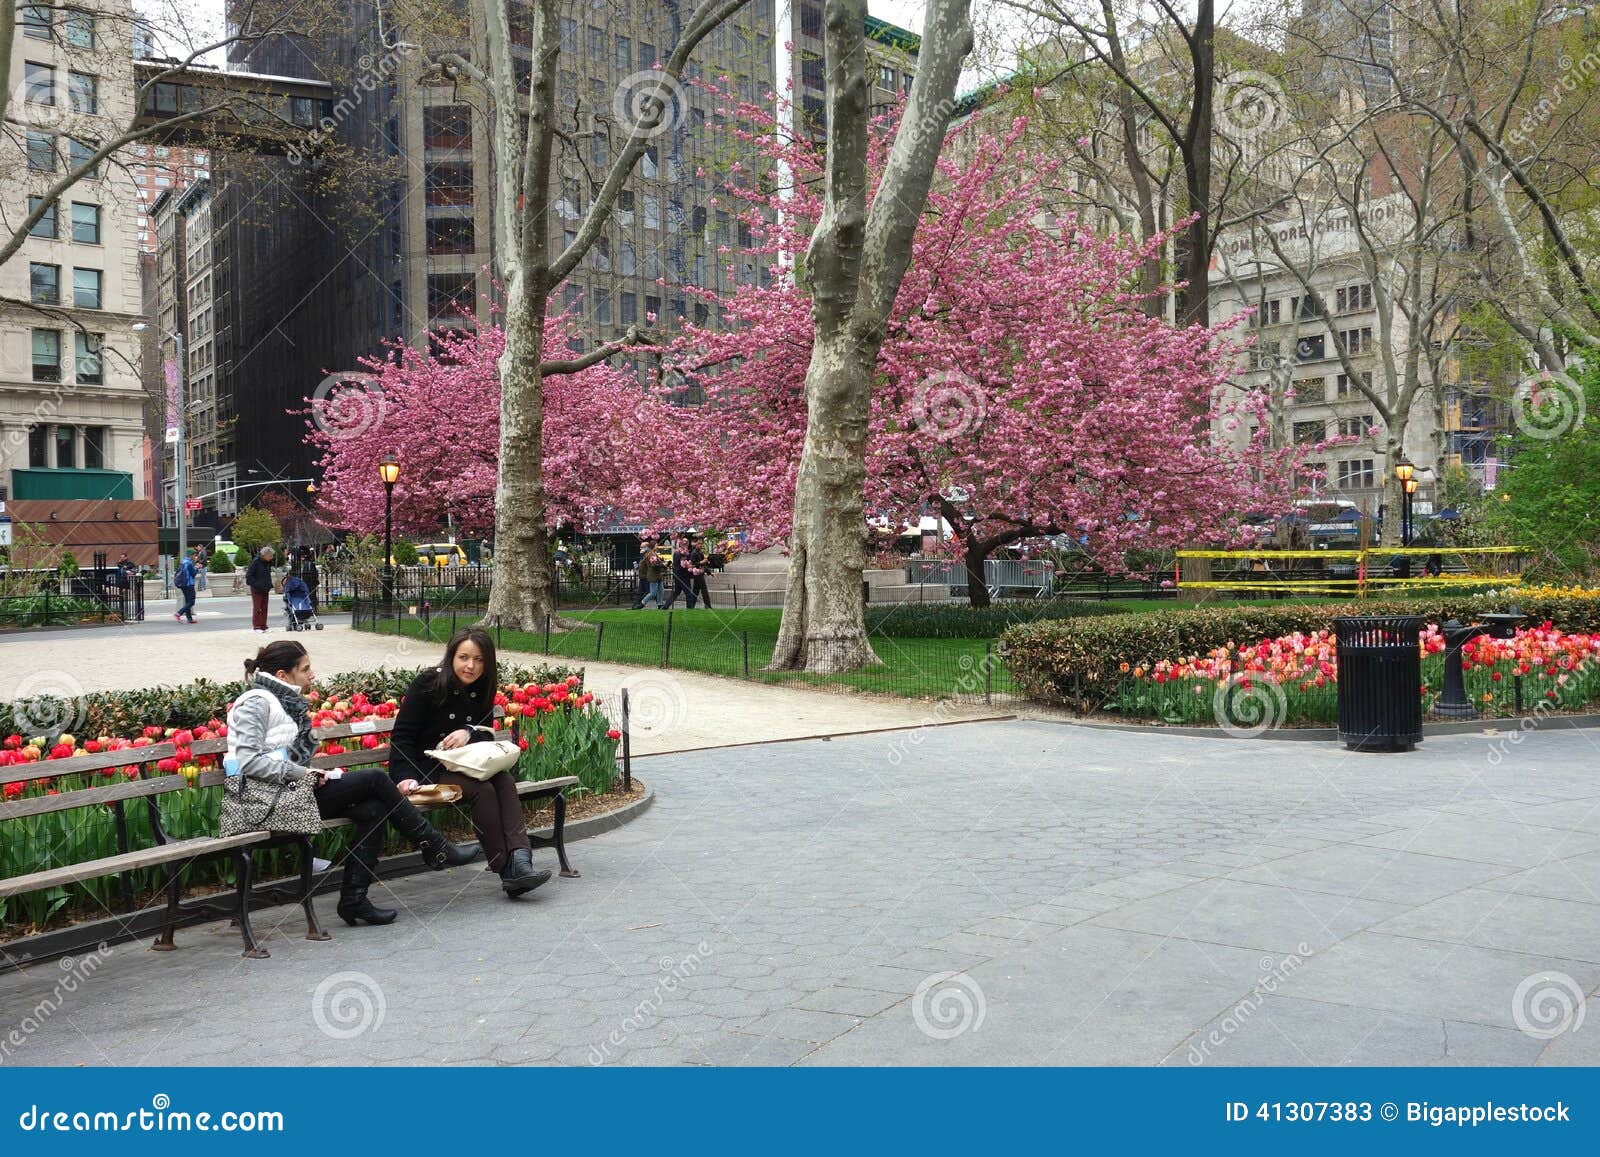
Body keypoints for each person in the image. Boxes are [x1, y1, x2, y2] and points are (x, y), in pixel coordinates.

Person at [228, 640, 478, 927]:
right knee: (374, 778)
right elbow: (249, 762)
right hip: (257, 804)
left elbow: (280, 757)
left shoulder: (282, 702)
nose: (312, 675)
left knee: (372, 808)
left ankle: (353, 900)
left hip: (284, 796)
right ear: (283, 675)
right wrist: (302, 775)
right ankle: (434, 846)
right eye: (305, 669)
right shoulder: (256, 703)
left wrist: (315, 774)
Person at [388, 627, 552, 898]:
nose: (471, 666)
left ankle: (521, 861)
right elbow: (402, 738)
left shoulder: (483, 686)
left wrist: (468, 732)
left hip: (466, 765)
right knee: (483, 790)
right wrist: (404, 777)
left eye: (479, 659)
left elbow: (483, 733)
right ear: (451, 655)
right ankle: (506, 869)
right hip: (426, 768)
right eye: (464, 657)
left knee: (504, 780)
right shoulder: (428, 684)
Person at [661, 535, 699, 610]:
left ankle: (665, 606)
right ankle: (690, 608)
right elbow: (684, 565)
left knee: (676, 592)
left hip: (677, 575)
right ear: (685, 544)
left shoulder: (676, 552)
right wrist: (691, 567)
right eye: (687, 544)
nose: (688, 545)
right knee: (688, 592)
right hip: (683, 575)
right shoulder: (682, 553)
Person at [246, 546, 275, 633]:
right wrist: (256, 585)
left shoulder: (267, 563)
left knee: (264, 608)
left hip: (265, 588)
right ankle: (257, 626)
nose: (271, 557)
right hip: (257, 589)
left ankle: (264, 626)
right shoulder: (255, 562)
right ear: (265, 555)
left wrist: (269, 585)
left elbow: (267, 575)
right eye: (270, 556)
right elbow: (249, 576)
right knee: (257, 608)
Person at [174, 548, 198, 624]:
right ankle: (178, 613)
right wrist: (197, 567)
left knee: (188, 601)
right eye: (194, 555)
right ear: (191, 555)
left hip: (183, 585)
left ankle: (189, 619)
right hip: (189, 585)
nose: (195, 557)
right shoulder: (189, 563)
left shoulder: (183, 562)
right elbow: (193, 574)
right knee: (191, 602)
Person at [688, 536, 713, 609]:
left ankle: (691, 606)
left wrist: (709, 572)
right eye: (699, 543)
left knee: (696, 590)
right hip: (697, 574)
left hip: (700, 573)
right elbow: (692, 564)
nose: (701, 545)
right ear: (695, 544)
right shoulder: (694, 553)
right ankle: (707, 606)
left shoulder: (699, 552)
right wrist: (701, 562)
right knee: (704, 590)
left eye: (701, 544)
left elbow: (704, 564)